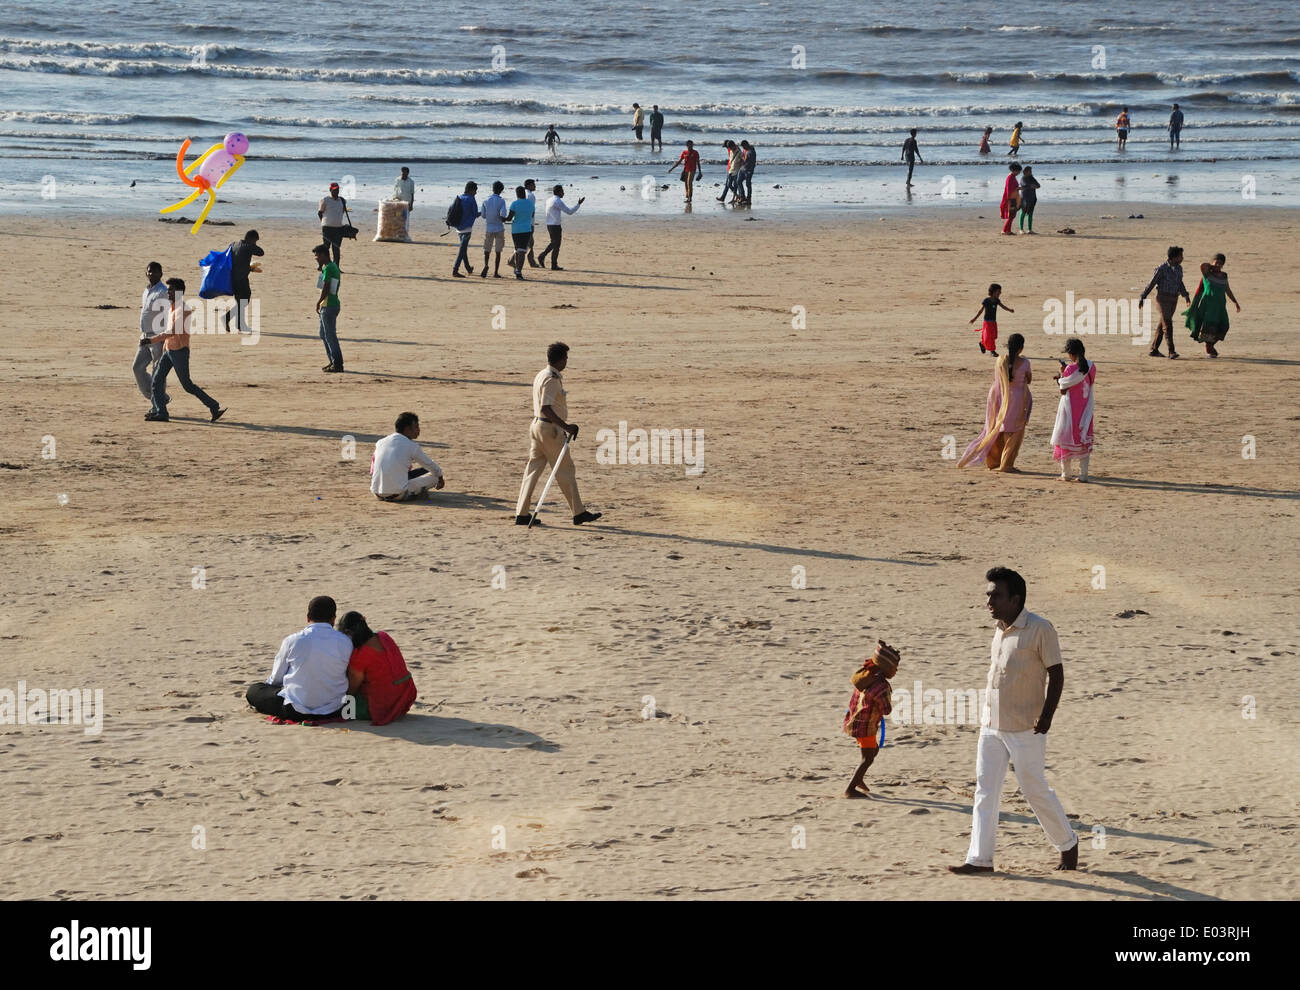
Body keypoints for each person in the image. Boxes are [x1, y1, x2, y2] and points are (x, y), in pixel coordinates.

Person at [949, 568, 1078, 875]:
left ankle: (1067, 844)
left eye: (996, 595)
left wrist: (1047, 716)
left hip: (1027, 727)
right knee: (985, 790)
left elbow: (1057, 674)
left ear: (1016, 599)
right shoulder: (999, 629)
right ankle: (979, 860)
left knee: (1034, 789)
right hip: (991, 725)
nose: (989, 600)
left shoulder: (1040, 629)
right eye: (988, 594)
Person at [515, 341, 602, 526]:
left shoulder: (541, 374)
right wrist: (567, 426)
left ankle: (521, 514)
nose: (567, 361)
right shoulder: (551, 379)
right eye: (566, 358)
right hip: (550, 430)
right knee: (565, 471)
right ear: (561, 359)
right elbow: (546, 408)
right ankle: (578, 513)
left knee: (532, 470)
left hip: (537, 427)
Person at [245, 596, 352, 722]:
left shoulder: (292, 641)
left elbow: (276, 679)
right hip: (334, 709)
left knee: (254, 690)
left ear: (308, 617)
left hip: (296, 710)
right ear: (333, 619)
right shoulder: (346, 642)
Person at [145, 278, 226, 423]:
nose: (168, 292)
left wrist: (151, 340)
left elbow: (172, 331)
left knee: (187, 385)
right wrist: (164, 348)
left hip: (179, 352)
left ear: (179, 292)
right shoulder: (173, 307)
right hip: (170, 351)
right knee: (157, 381)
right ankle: (161, 412)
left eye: (171, 289)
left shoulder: (183, 309)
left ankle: (214, 406)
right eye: (168, 289)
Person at [958, 333, 1032, 473]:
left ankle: (995, 462)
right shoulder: (1025, 363)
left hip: (1000, 397)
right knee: (1014, 431)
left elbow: (998, 380)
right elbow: (1029, 379)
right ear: (1021, 348)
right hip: (1017, 399)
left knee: (1000, 428)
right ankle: (1006, 464)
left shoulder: (1000, 361)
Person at [842, 641, 900, 798]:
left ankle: (858, 778)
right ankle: (850, 789)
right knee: (867, 758)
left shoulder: (865, 676)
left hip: (855, 721)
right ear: (886, 668)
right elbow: (886, 710)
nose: (896, 671)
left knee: (873, 750)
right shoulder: (880, 686)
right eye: (895, 668)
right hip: (865, 727)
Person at [337, 612, 418, 725]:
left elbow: (351, 689)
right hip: (403, 699)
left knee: (335, 706)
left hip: (383, 705)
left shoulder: (360, 655)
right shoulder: (384, 636)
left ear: (348, 633)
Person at [370, 411, 445, 502]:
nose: (419, 430)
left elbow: (373, 470)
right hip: (399, 494)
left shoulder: (381, 442)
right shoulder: (411, 445)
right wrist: (440, 478)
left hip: (377, 493)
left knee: (418, 471)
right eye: (416, 427)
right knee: (435, 477)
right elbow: (430, 465)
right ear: (407, 429)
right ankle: (413, 494)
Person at [1051, 338, 1096, 481]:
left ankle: (1066, 474)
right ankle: (1083, 474)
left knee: (1066, 439)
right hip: (1085, 410)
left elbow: (1063, 390)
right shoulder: (1091, 366)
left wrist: (1061, 376)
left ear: (1071, 354)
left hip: (1070, 410)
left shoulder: (1070, 369)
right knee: (1083, 439)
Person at [1185, 253, 1241, 358]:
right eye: (1216, 262)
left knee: (1224, 326)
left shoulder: (1224, 275)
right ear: (1212, 263)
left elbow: (1227, 290)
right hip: (1209, 306)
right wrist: (1212, 266)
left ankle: (1211, 346)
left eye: (1221, 263)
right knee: (1209, 327)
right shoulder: (1207, 274)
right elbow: (1202, 265)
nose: (1218, 265)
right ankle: (1209, 349)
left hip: (1220, 306)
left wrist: (1235, 302)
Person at [1138, 245, 1190, 359]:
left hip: (1173, 300)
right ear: (1173, 257)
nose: (1182, 258)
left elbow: (1180, 283)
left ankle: (1154, 349)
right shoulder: (1161, 269)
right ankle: (1171, 351)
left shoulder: (1179, 269)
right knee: (1168, 323)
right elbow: (1152, 283)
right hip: (1161, 299)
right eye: (1180, 256)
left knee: (1163, 324)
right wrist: (1143, 296)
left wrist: (1186, 296)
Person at [134, 261, 169, 407]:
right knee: (137, 368)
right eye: (149, 271)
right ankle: (158, 398)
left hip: (157, 336)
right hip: (144, 336)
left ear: (161, 274)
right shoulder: (146, 290)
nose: (151, 274)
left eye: (154, 272)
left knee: (157, 372)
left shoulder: (163, 292)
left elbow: (168, 314)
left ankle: (158, 404)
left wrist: (164, 338)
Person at [536, 185, 584, 271]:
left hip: (549, 224)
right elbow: (569, 212)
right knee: (555, 244)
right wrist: (578, 204)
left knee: (555, 244)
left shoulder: (549, 199)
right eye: (562, 191)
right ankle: (542, 256)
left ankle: (553, 264)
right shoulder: (558, 201)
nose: (564, 193)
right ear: (558, 192)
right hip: (555, 225)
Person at [313, 243, 343, 373]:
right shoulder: (332, 266)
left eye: (317, 256)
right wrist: (321, 267)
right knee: (323, 334)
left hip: (329, 305)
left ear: (323, 255)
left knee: (330, 335)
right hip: (331, 304)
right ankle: (332, 361)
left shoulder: (329, 269)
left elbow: (325, 286)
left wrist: (318, 301)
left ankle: (337, 364)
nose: (316, 258)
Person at [225, 229, 263, 333]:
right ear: (251, 239)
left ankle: (239, 324)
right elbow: (261, 252)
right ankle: (228, 319)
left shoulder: (234, 244)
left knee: (240, 302)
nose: (255, 243)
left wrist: (249, 268)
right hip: (241, 279)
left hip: (233, 278)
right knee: (244, 301)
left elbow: (235, 259)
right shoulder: (248, 246)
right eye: (255, 241)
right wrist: (251, 245)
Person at [969, 282, 1013, 356]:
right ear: (993, 292)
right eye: (999, 291)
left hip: (993, 322)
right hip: (987, 322)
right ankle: (992, 351)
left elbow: (1003, 306)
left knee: (993, 336)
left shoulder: (997, 301)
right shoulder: (986, 301)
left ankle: (982, 344)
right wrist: (974, 319)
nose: (1000, 293)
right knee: (990, 337)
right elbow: (980, 311)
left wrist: (1009, 310)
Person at [504, 184, 536, 280]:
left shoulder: (514, 204)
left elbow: (509, 218)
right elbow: (532, 215)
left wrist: (502, 219)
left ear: (517, 194)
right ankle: (518, 270)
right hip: (527, 229)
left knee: (519, 250)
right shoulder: (531, 204)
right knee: (521, 250)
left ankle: (518, 271)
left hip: (516, 230)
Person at [451, 180, 480, 278]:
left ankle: (468, 268)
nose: (476, 193)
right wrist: (484, 213)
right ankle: (455, 270)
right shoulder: (471, 199)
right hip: (467, 228)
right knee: (462, 249)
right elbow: (475, 213)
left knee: (463, 249)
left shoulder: (460, 197)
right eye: (475, 190)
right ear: (471, 190)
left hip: (458, 227)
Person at [480, 180, 509, 278]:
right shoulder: (502, 201)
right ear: (501, 191)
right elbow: (503, 214)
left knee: (487, 250)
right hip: (499, 228)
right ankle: (495, 272)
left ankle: (486, 265)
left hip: (489, 228)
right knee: (498, 251)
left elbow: (483, 215)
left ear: (492, 189)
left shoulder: (486, 201)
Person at [317, 181, 349, 266]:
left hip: (338, 228)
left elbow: (342, 212)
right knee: (326, 248)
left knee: (336, 248)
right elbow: (320, 212)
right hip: (327, 228)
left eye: (337, 190)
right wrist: (324, 222)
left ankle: (336, 267)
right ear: (330, 190)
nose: (336, 192)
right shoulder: (325, 200)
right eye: (334, 190)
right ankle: (322, 265)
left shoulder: (342, 200)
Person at [999, 162, 1021, 235]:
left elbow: (1014, 188)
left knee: (1012, 215)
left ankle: (1008, 230)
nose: (1018, 173)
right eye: (1018, 171)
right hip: (1011, 198)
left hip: (1014, 197)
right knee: (1011, 215)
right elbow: (1009, 188)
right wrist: (1009, 199)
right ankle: (1004, 230)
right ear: (1014, 170)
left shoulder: (1012, 177)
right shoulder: (1010, 177)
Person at [1017, 165, 1040, 234]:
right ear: (1025, 172)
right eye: (1029, 171)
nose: (1031, 172)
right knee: (1023, 213)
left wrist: (1033, 186)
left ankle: (1030, 229)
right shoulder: (1023, 178)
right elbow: (1024, 185)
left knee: (1030, 214)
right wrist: (1032, 186)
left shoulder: (1032, 178)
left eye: (1031, 171)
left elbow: (1038, 185)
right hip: (1024, 199)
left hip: (1032, 198)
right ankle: (1021, 229)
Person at [523, 179, 541, 268]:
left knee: (528, 242)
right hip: (529, 222)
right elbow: (532, 211)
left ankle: (531, 261)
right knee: (529, 243)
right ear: (529, 185)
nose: (535, 186)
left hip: (523, 221)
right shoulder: (531, 195)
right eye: (533, 184)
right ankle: (531, 261)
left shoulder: (523, 193)